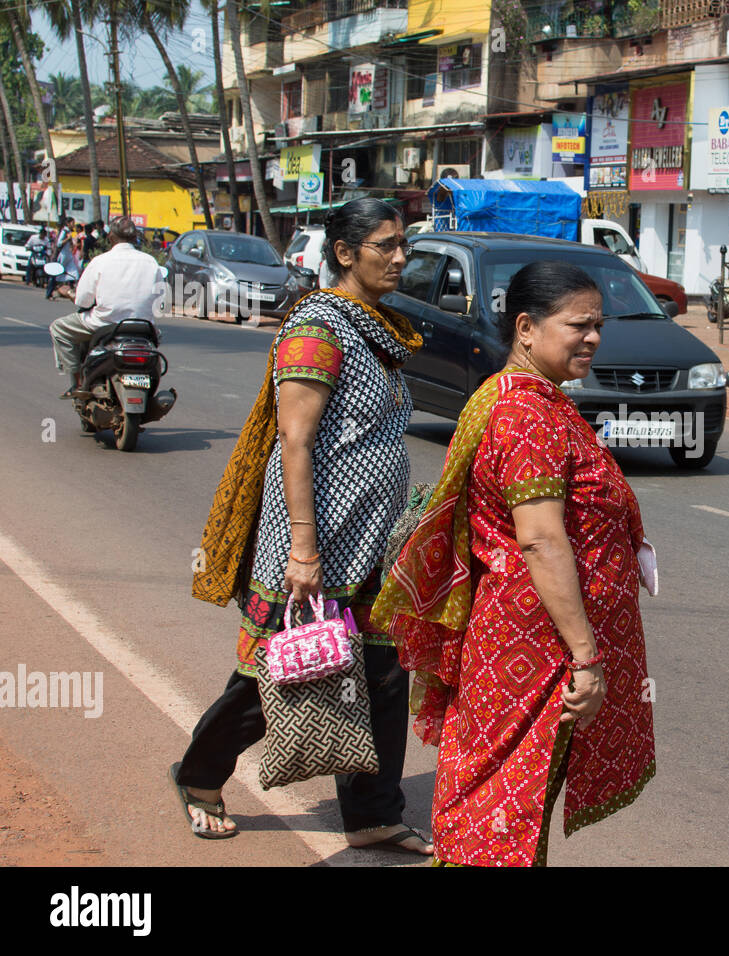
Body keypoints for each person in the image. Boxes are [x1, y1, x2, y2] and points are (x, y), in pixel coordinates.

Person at [372, 260, 657, 867]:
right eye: (579, 325)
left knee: (510, 797)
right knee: (504, 805)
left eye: (598, 325)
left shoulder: (531, 400)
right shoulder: (525, 413)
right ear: (526, 328)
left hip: (526, 642)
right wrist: (584, 655)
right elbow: (540, 541)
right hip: (537, 651)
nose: (594, 338)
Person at [176, 198, 434, 854]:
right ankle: (199, 778)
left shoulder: (374, 327)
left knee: (379, 673)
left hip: (370, 546)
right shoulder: (319, 328)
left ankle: (375, 812)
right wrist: (302, 546)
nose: (400, 257)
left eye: (403, 244)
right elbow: (295, 441)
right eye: (385, 246)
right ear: (345, 254)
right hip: (313, 545)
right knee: (281, 674)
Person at [47, 218, 163, 399]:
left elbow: (83, 301)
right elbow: (159, 301)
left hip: (104, 325)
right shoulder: (151, 262)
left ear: (110, 237)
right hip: (144, 328)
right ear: (135, 238)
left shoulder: (100, 261)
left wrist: (69, 293)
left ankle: (77, 383)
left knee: (58, 328)